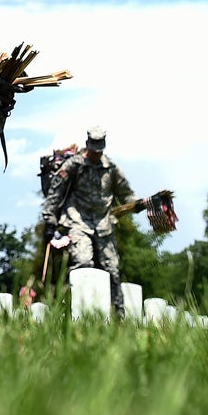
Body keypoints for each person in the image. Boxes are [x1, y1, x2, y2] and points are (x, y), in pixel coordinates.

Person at [40, 125, 140, 316]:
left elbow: (126, 194)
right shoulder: (74, 165)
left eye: (99, 149)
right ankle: (75, 311)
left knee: (112, 269)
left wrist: (139, 204)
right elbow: (55, 193)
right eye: (93, 148)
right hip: (78, 223)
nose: (96, 153)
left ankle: (118, 315)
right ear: (87, 144)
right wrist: (50, 219)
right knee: (83, 263)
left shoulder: (111, 168)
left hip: (104, 226)